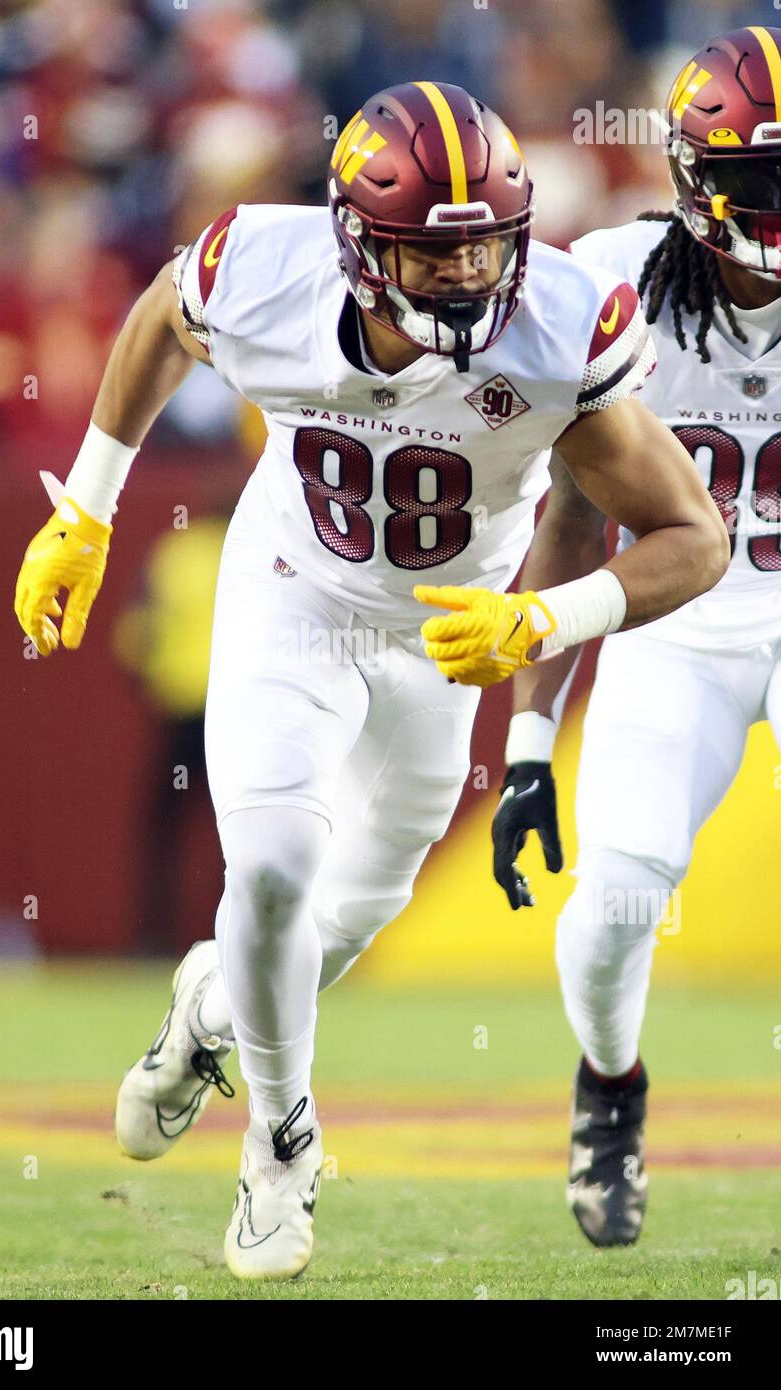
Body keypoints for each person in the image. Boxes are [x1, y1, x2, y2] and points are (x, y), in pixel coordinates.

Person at [14, 81, 727, 1281]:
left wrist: (543, 618)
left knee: (329, 920)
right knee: (276, 872)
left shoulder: (558, 322)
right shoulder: (264, 269)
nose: (461, 280)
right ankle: (280, 1146)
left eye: (483, 250)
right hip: (293, 590)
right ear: (354, 240)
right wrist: (87, 505)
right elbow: (158, 319)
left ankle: (208, 1015)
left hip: (450, 637)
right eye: (426, 254)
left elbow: (690, 535)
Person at [492, 26, 781, 1248]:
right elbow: (566, 524)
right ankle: (609, 1087)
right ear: (694, 176)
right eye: (765, 180)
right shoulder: (609, 281)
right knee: (610, 902)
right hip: (672, 619)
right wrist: (522, 737)